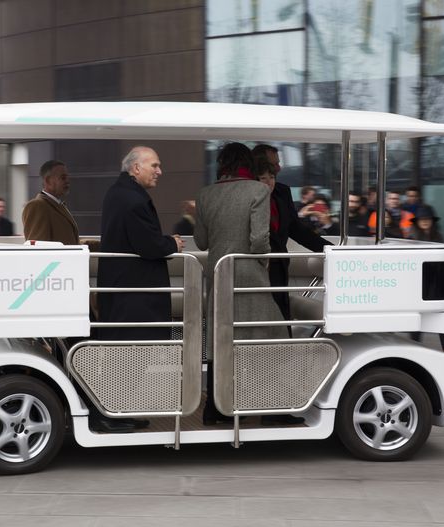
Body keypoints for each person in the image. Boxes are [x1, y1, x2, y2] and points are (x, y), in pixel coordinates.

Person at [195, 142, 288, 426]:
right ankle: (272, 408)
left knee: (220, 340)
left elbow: (201, 241)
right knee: (271, 338)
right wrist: (262, 261)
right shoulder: (257, 191)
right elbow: (259, 240)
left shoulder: (205, 194)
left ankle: (216, 407)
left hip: (217, 276)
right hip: (249, 276)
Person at [97, 146, 184, 342]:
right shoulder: (134, 200)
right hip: (136, 301)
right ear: (136, 168)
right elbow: (149, 245)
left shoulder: (117, 192)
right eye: (154, 166)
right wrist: (173, 243)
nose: (159, 172)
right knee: (138, 359)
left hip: (123, 296)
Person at [252, 145, 328, 323]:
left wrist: (329, 250)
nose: (278, 167)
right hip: (256, 268)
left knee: (281, 314)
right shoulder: (247, 195)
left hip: (279, 266)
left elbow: (297, 229)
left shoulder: (282, 191)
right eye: (274, 163)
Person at [408, 206, 444, 358]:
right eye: (422, 219)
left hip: (435, 281)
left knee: (440, 313)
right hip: (418, 282)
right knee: (418, 314)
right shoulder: (412, 238)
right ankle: (415, 347)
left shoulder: (437, 236)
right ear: (417, 222)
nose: (425, 222)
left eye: (427, 219)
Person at [22, 161, 79, 244]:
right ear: (48, 181)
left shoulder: (58, 205)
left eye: (67, 177)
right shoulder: (37, 206)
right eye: (63, 178)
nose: (67, 181)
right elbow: (38, 248)